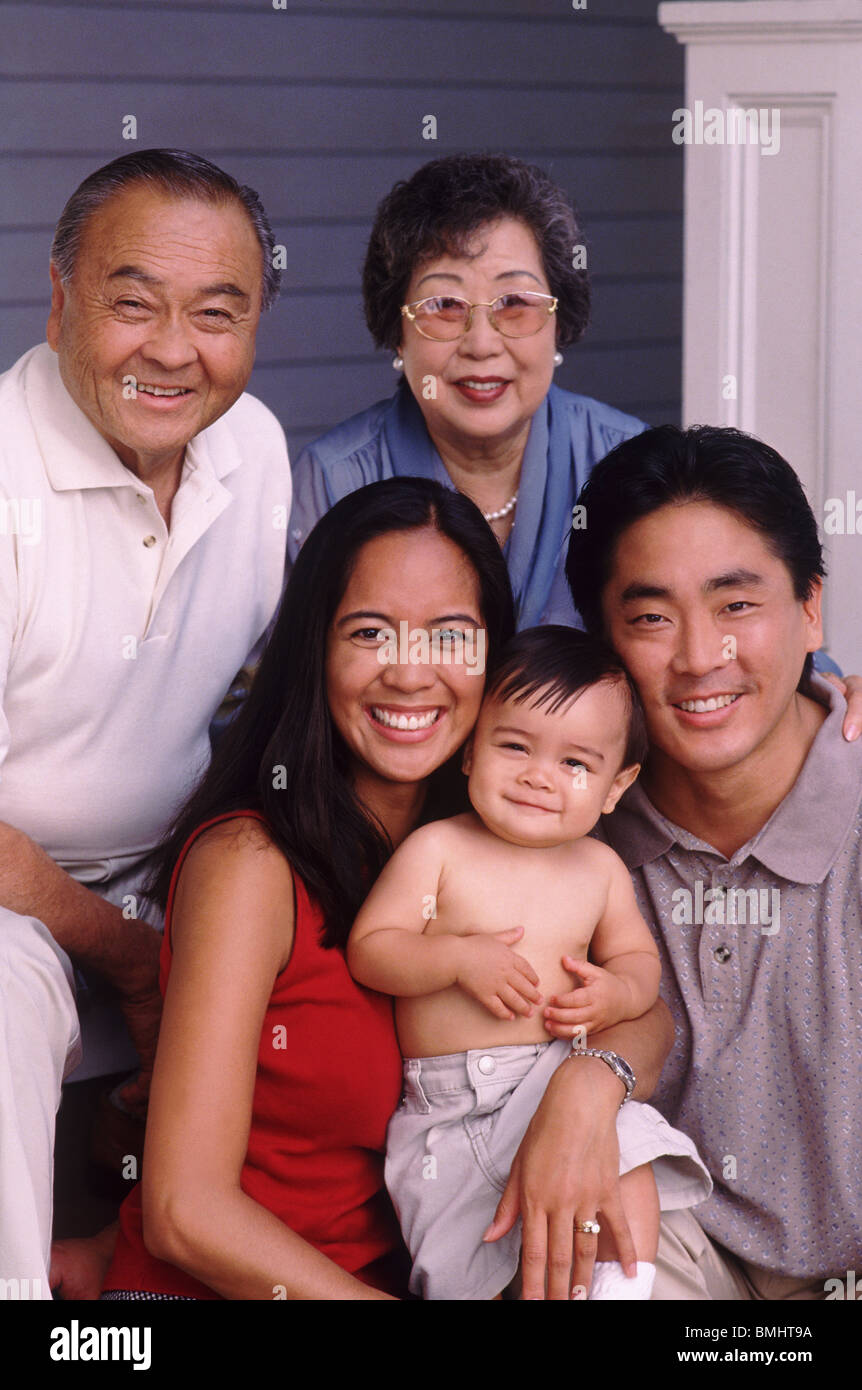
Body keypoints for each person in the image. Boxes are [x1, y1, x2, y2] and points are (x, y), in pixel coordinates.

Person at [77, 477, 674, 1301]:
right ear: (315, 647)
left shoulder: (497, 834)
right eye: (368, 632)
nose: (409, 673)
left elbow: (649, 1013)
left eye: (450, 637)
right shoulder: (252, 864)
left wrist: (587, 1085)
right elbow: (185, 1211)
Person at [0, 148, 291, 1295]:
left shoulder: (252, 449)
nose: (174, 350)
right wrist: (133, 957)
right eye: (134, 303)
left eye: (218, 314)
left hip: (165, 876)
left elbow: (296, 693)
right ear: (62, 296)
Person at [565, 424, 862, 1298]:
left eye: (737, 605)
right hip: (681, 1259)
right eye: (651, 618)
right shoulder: (567, 825)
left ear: (811, 609)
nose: (701, 660)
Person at [348, 626, 712, 1301]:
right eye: (514, 745)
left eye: (576, 763)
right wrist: (454, 959)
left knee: (624, 1152)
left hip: (559, 1077)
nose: (539, 775)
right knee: (487, 1259)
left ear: (615, 785)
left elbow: (638, 963)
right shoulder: (440, 850)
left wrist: (615, 996)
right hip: (456, 1109)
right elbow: (372, 949)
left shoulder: (599, 869)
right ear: (469, 750)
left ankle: (616, 1292)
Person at [287, 152, 646, 629]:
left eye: (516, 303)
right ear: (397, 331)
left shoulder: (626, 460)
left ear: (558, 324)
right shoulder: (334, 480)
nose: (481, 343)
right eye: (445, 306)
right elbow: (305, 682)